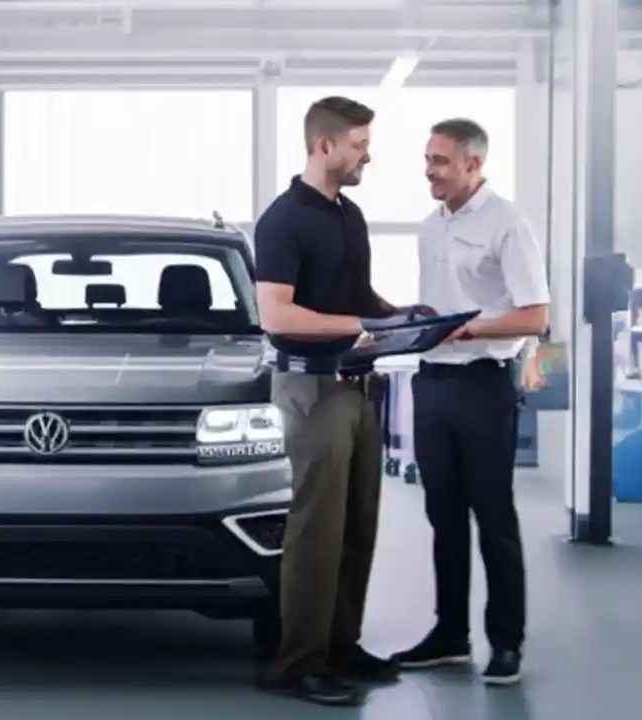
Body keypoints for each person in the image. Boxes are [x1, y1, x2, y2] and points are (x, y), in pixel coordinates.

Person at [252, 96, 416, 706]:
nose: (367, 155)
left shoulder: (350, 215)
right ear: (325, 145)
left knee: (356, 527)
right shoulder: (282, 220)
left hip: (356, 388)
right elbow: (277, 313)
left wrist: (402, 316)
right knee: (316, 532)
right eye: (359, 144)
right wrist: (356, 326)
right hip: (309, 388)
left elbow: (358, 294)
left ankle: (341, 645)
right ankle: (297, 662)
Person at [391, 118, 550, 686]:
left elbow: (536, 315)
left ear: (474, 164)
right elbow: (441, 302)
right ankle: (449, 635)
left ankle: (506, 642)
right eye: (427, 159)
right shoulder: (430, 227)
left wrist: (470, 330)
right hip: (432, 383)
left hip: (484, 384)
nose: (429, 171)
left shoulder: (507, 224)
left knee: (494, 517)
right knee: (443, 517)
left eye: (440, 161)